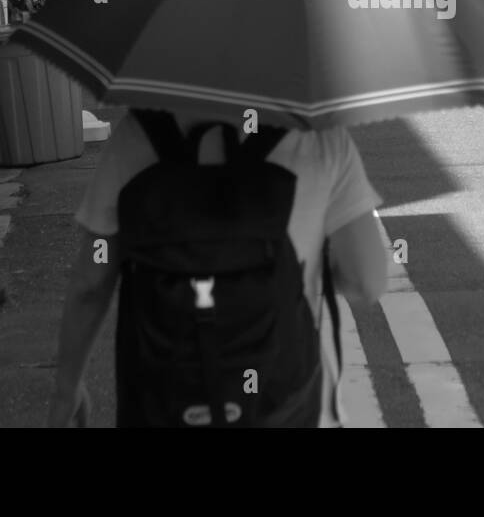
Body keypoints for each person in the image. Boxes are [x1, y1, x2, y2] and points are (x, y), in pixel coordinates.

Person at [46, 111, 392, 428]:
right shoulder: (319, 134)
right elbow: (367, 281)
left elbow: (93, 280)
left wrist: (67, 386)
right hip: (286, 401)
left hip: (162, 402)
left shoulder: (137, 133)